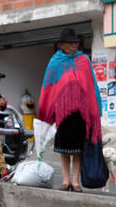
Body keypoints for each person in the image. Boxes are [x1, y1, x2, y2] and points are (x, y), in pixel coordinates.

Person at [37, 27, 103, 192]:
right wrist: (47, 112)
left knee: (79, 150)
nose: (74, 46)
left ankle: (76, 182)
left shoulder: (83, 60)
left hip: (81, 114)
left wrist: (95, 108)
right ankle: (66, 181)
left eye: (76, 43)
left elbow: (91, 85)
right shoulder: (55, 62)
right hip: (63, 114)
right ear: (63, 45)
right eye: (71, 43)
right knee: (64, 150)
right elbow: (49, 87)